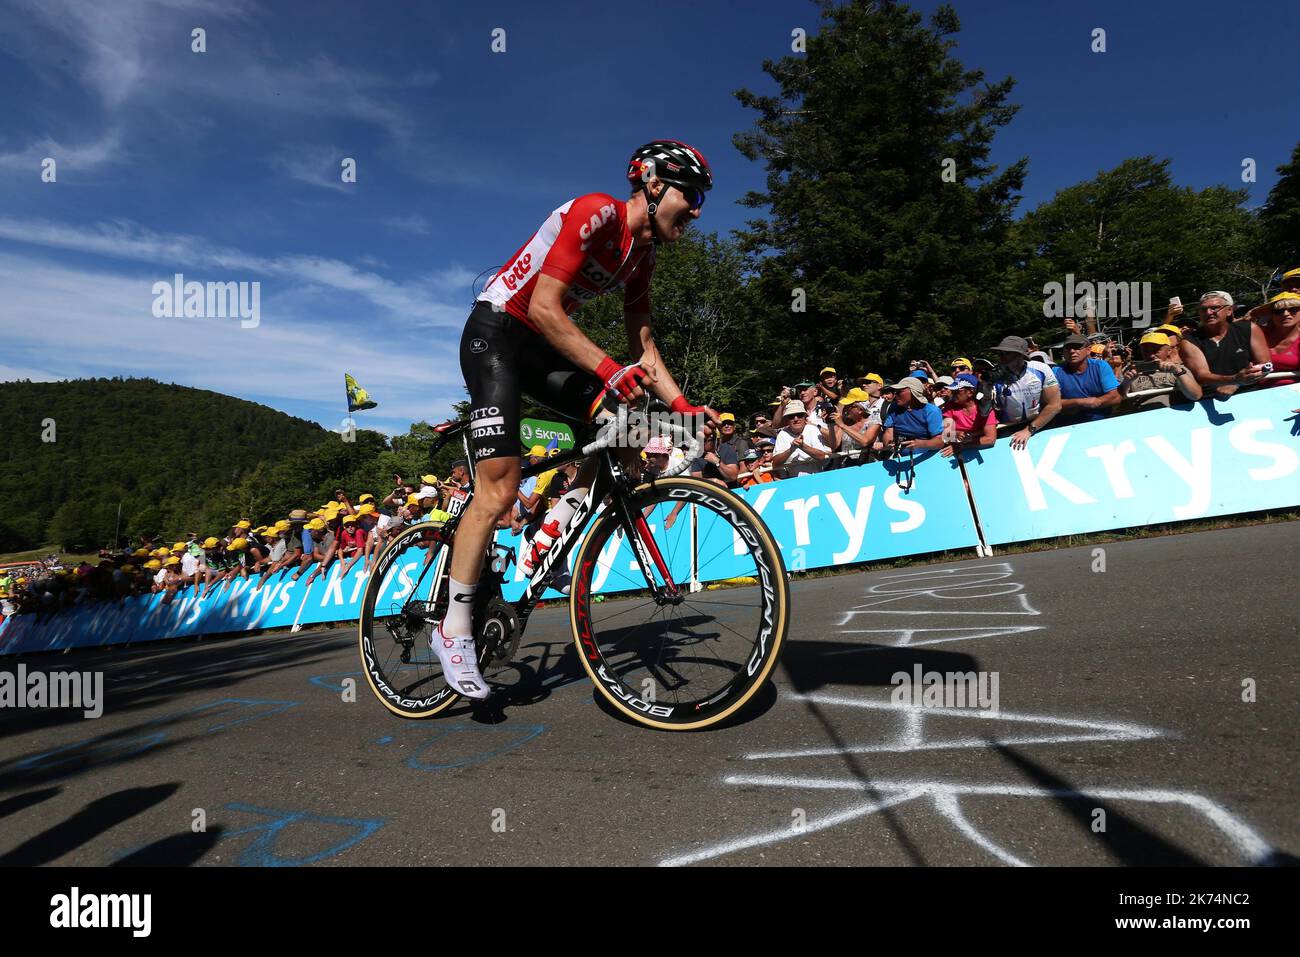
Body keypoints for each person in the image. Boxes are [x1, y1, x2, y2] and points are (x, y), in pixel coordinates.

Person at [443, 140, 717, 698]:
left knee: (625, 426)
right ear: (652, 182)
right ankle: (452, 632)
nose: (697, 209)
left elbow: (645, 350)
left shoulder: (643, 257)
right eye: (690, 194)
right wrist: (607, 368)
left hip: (544, 347)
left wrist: (685, 409)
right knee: (497, 493)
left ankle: (551, 529)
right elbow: (544, 306)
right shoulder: (597, 212)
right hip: (497, 335)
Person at [1179, 291, 1271, 397]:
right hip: (1211, 398)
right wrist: (1234, 379)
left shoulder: (1249, 329)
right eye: (1203, 309)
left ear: (1229, 310)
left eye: (1215, 308)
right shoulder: (1190, 341)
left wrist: (1236, 384)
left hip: (1251, 393)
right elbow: (1202, 374)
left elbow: (1265, 364)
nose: (1208, 312)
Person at [989, 335, 1061, 450]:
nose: (1001, 357)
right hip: (1007, 429)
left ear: (1019, 354)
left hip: (1039, 423)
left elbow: (1055, 405)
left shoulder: (1041, 369)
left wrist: (1029, 430)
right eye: (1000, 353)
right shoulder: (994, 377)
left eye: (1007, 353)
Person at [1051, 333, 1122, 426]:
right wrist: (1081, 402)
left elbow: (1115, 397)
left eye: (1077, 347)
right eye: (1068, 348)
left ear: (1088, 350)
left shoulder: (1100, 366)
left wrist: (1078, 406)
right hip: (1068, 426)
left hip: (1102, 422)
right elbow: (1052, 403)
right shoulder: (1056, 371)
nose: (1072, 351)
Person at [1121, 332, 1202, 408]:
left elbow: (1195, 395)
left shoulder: (1178, 369)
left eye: (1156, 350)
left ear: (1169, 350)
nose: (1151, 355)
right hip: (1138, 416)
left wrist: (1178, 372)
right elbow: (1118, 401)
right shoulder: (1131, 371)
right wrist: (1126, 382)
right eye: (1146, 351)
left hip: (1172, 415)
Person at [940, 373, 997, 456]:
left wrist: (963, 445)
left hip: (977, 451)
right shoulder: (949, 406)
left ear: (970, 392)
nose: (953, 393)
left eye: (957, 391)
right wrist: (957, 434)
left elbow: (990, 439)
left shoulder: (985, 409)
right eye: (953, 390)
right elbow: (947, 432)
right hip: (955, 451)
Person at [881, 377, 945, 451]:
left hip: (926, 457)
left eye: (899, 392)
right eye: (895, 392)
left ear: (914, 392)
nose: (895, 395)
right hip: (900, 456)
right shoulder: (893, 407)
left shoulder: (931, 411)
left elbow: (940, 442)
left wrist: (920, 444)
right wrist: (888, 444)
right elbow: (888, 432)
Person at [771, 400, 831, 477]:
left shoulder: (812, 429)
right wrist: (791, 449)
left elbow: (822, 456)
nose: (796, 419)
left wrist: (803, 446)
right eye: (791, 416)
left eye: (799, 415)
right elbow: (775, 463)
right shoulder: (782, 434)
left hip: (816, 475)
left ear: (804, 417)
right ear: (787, 419)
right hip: (792, 479)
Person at [1262, 291, 1300, 386]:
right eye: (1279, 311)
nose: (1286, 314)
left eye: (1293, 309)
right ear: (1271, 315)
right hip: (1254, 391)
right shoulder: (1258, 333)